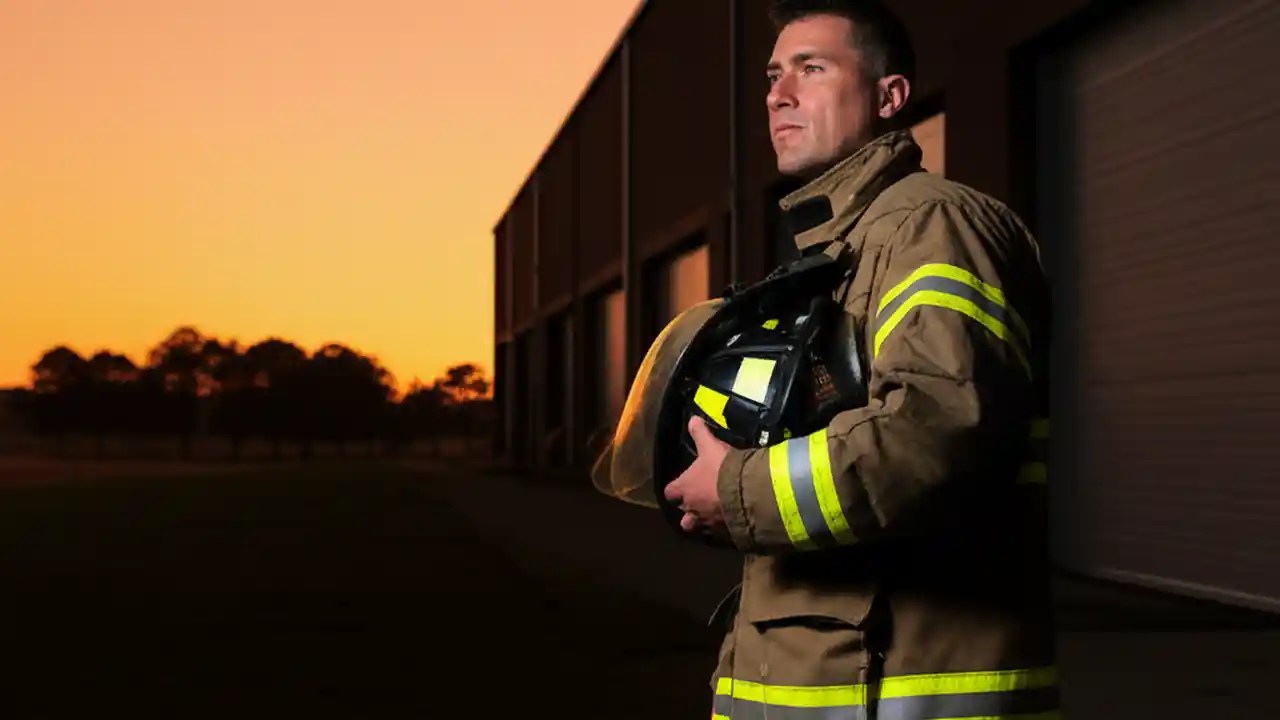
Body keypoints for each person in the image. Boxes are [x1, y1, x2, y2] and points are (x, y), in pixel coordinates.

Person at [659, 1, 1061, 718]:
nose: (779, 94)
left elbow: (936, 432)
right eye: (774, 75)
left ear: (889, 96)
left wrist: (740, 488)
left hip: (896, 686)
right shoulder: (836, 253)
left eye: (811, 69)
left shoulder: (931, 224)